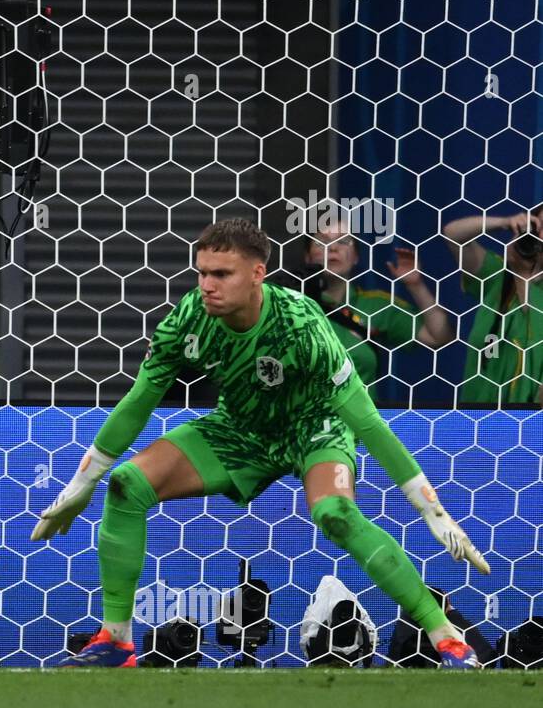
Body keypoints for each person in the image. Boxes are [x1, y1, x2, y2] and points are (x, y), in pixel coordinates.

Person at [33, 218, 489, 669]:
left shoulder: (300, 325)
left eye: (221, 274)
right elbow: (139, 401)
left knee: (336, 514)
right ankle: (116, 640)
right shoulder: (190, 317)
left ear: (257, 273)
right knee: (126, 484)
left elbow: (368, 424)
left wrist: (432, 510)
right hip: (240, 429)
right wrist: (83, 482)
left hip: (315, 427)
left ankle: (444, 636)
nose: (206, 285)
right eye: (202, 273)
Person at [301, 218, 453, 389]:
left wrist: (416, 285)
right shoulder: (291, 306)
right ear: (308, 257)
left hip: (360, 414)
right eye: (322, 242)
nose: (333, 248)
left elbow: (439, 336)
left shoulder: (377, 305)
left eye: (344, 241)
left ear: (356, 256)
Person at [442, 208, 543, 406]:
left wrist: (523, 275)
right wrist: (505, 221)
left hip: (529, 426)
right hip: (477, 419)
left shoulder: (520, 276)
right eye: (538, 225)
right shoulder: (498, 275)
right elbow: (453, 234)